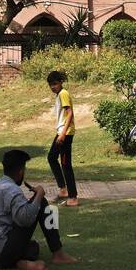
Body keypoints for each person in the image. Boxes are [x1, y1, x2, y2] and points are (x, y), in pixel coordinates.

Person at [0, 149, 76, 270]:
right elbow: (25, 219)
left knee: (33, 247)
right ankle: (58, 253)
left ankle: (19, 263)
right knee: (42, 202)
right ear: (20, 171)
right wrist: (39, 195)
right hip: (2, 252)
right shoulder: (12, 190)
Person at [46, 70, 79, 205]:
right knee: (52, 157)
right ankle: (63, 190)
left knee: (65, 165)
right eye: (50, 85)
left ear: (60, 82)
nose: (53, 87)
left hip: (65, 133)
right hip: (62, 132)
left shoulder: (63, 94)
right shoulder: (59, 94)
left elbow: (70, 113)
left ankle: (73, 197)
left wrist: (63, 134)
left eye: (55, 84)